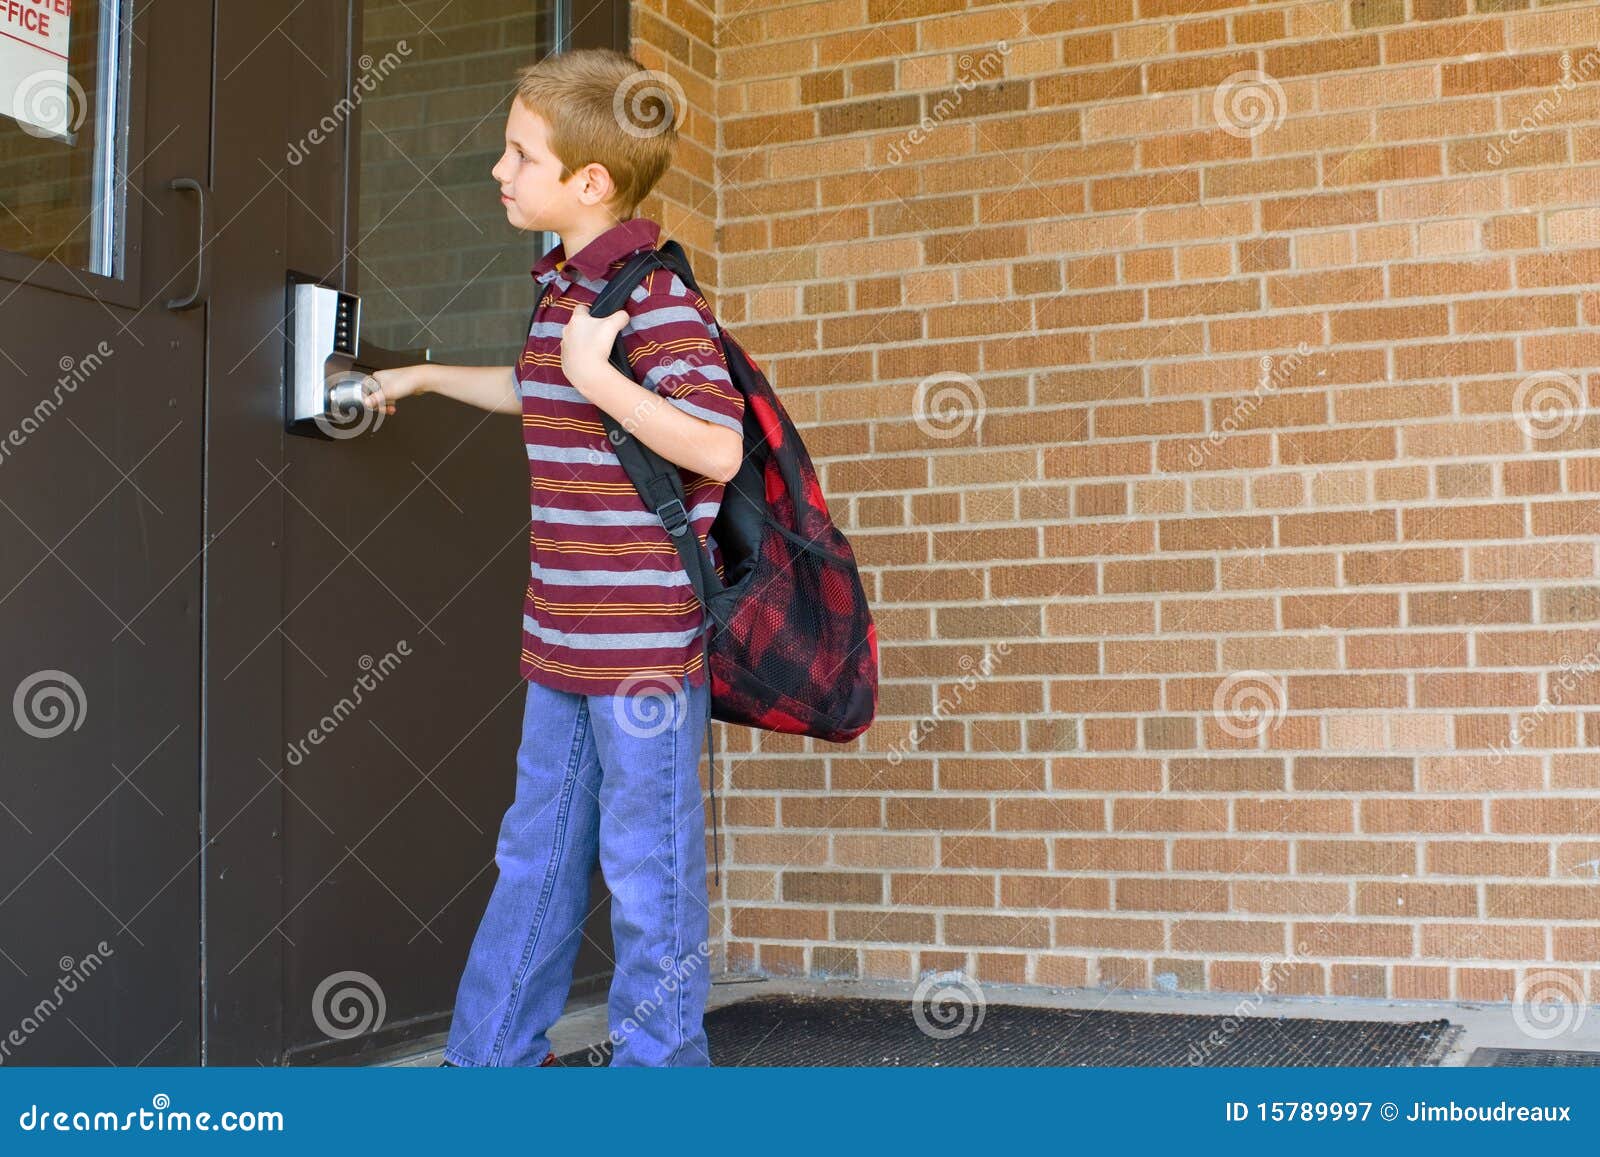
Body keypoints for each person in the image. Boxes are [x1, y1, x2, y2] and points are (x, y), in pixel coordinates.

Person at [365, 47, 744, 1068]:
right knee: (533, 856)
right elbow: (548, 394)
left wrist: (597, 370)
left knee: (646, 868)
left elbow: (716, 443)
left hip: (641, 650)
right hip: (561, 636)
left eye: (518, 154)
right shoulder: (568, 288)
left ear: (589, 182)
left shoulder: (649, 299)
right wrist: (429, 377)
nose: (498, 169)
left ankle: (659, 1080)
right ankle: (486, 1067)